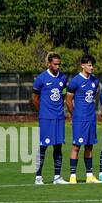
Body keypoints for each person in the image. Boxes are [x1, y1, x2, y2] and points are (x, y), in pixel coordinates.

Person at [32, 52, 68, 185]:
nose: (57, 66)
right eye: (55, 64)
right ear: (49, 64)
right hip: (46, 118)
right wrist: (43, 111)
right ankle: (38, 177)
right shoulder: (41, 78)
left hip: (59, 117)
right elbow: (35, 98)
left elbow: (63, 93)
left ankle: (57, 177)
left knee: (58, 146)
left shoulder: (63, 78)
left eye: (59, 64)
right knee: (43, 146)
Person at [66, 55, 100, 184]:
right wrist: (74, 115)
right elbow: (68, 100)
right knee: (76, 146)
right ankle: (73, 176)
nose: (91, 68)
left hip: (91, 117)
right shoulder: (75, 81)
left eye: (92, 65)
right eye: (89, 65)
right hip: (79, 118)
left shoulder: (95, 81)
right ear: (83, 65)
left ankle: (89, 176)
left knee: (89, 146)